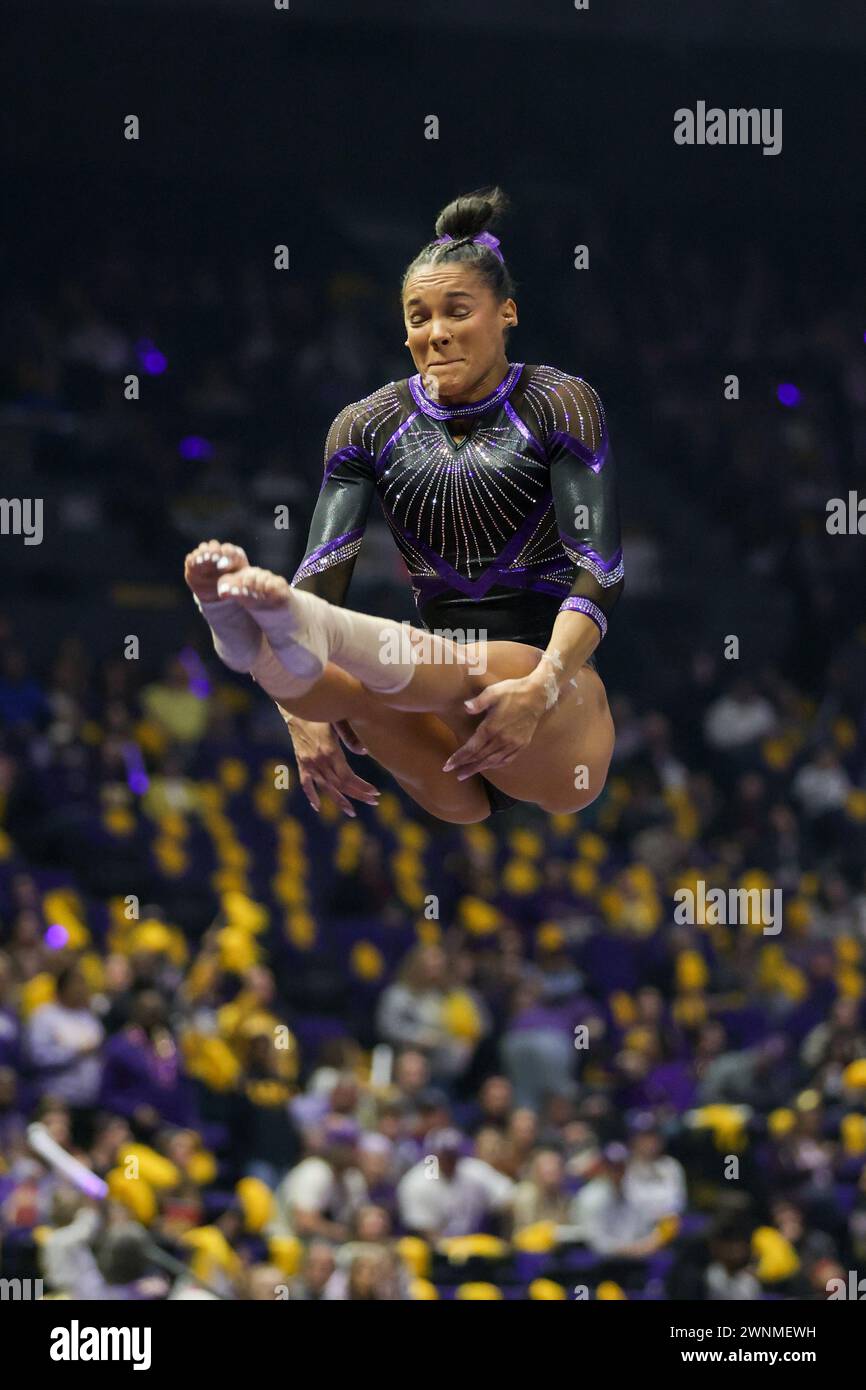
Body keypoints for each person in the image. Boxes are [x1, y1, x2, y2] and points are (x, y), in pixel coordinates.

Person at [185, 186, 621, 824]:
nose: (436, 334)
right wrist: (298, 709)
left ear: (507, 313)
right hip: (432, 714)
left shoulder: (558, 402)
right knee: (351, 697)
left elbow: (600, 565)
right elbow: (321, 575)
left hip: (551, 703)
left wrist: (544, 682)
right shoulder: (366, 426)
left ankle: (291, 645)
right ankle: (251, 651)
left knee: (477, 671)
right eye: (418, 317)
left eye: (457, 311)